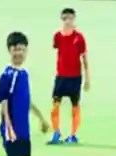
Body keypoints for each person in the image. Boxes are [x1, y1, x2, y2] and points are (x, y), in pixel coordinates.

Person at [0, 32, 50, 156]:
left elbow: (26, 101)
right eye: (15, 49)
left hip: (24, 128)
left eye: (22, 49)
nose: (18, 53)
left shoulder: (24, 74)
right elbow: (2, 101)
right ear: (9, 51)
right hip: (13, 129)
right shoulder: (8, 74)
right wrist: (9, 128)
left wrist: (41, 118)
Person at [48, 7, 89, 145]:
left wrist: (87, 78)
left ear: (73, 19)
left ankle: (73, 135)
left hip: (75, 77)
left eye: (70, 18)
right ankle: (56, 133)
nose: (67, 21)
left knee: (75, 105)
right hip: (61, 76)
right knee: (55, 104)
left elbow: (84, 58)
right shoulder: (57, 36)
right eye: (65, 18)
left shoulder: (79, 37)